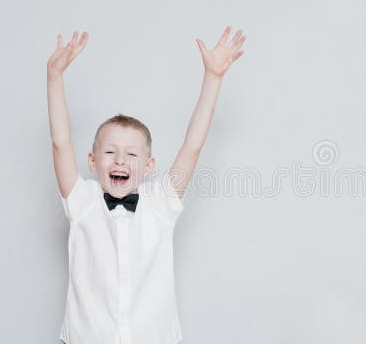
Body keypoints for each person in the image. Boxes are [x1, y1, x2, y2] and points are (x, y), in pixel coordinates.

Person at [46, 26, 246, 344]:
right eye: (110, 152)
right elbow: (60, 142)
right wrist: (55, 77)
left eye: (131, 154)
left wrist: (213, 78)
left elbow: (192, 146)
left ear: (150, 166)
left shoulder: (162, 202)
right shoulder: (81, 200)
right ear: (92, 161)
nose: (121, 161)